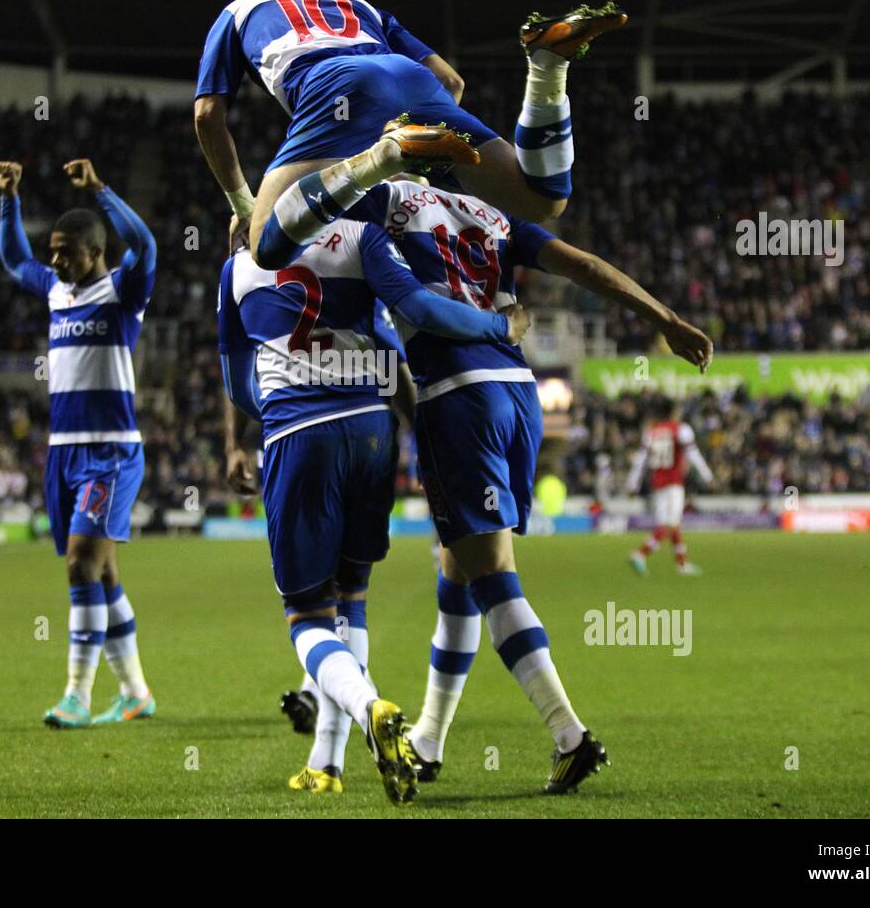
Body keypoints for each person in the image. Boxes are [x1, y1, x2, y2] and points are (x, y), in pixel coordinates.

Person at [259, 154, 713, 792]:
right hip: (519, 390)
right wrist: (662, 317)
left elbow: (291, 222)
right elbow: (582, 265)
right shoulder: (494, 216)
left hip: (456, 392)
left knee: (492, 574)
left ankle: (569, 733)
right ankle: (429, 738)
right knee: (458, 565)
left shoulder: (382, 201)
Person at [218, 199, 531, 803]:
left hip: (300, 432)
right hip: (371, 428)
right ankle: (326, 762)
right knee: (351, 598)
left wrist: (289, 403)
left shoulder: (235, 273)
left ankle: (369, 709)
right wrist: (499, 327)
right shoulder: (359, 236)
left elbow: (238, 385)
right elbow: (412, 315)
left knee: (306, 616)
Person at [193, 0, 627, 264]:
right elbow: (451, 79)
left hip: (336, 86)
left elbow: (207, 116)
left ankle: (378, 159)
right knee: (542, 203)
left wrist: (243, 206)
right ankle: (547, 67)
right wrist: (422, 158)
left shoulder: (239, 9)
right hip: (413, 81)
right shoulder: (354, 1)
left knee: (265, 244)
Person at [0, 156, 158, 729]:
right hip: (62, 450)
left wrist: (103, 191)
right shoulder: (54, 291)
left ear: (96, 253)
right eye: (55, 250)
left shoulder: (123, 291)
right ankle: (136, 691)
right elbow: (16, 258)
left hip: (109, 451)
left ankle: (77, 695)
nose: (56, 260)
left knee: (79, 569)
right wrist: (10, 198)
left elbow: (148, 245)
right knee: (103, 574)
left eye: (68, 251)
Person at [625, 397, 715, 577]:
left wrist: (632, 483)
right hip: (674, 483)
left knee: (671, 525)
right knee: (669, 524)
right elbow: (693, 454)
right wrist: (708, 476)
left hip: (657, 483)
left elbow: (640, 460)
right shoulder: (681, 430)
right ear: (673, 412)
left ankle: (682, 564)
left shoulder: (651, 432)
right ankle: (640, 554)